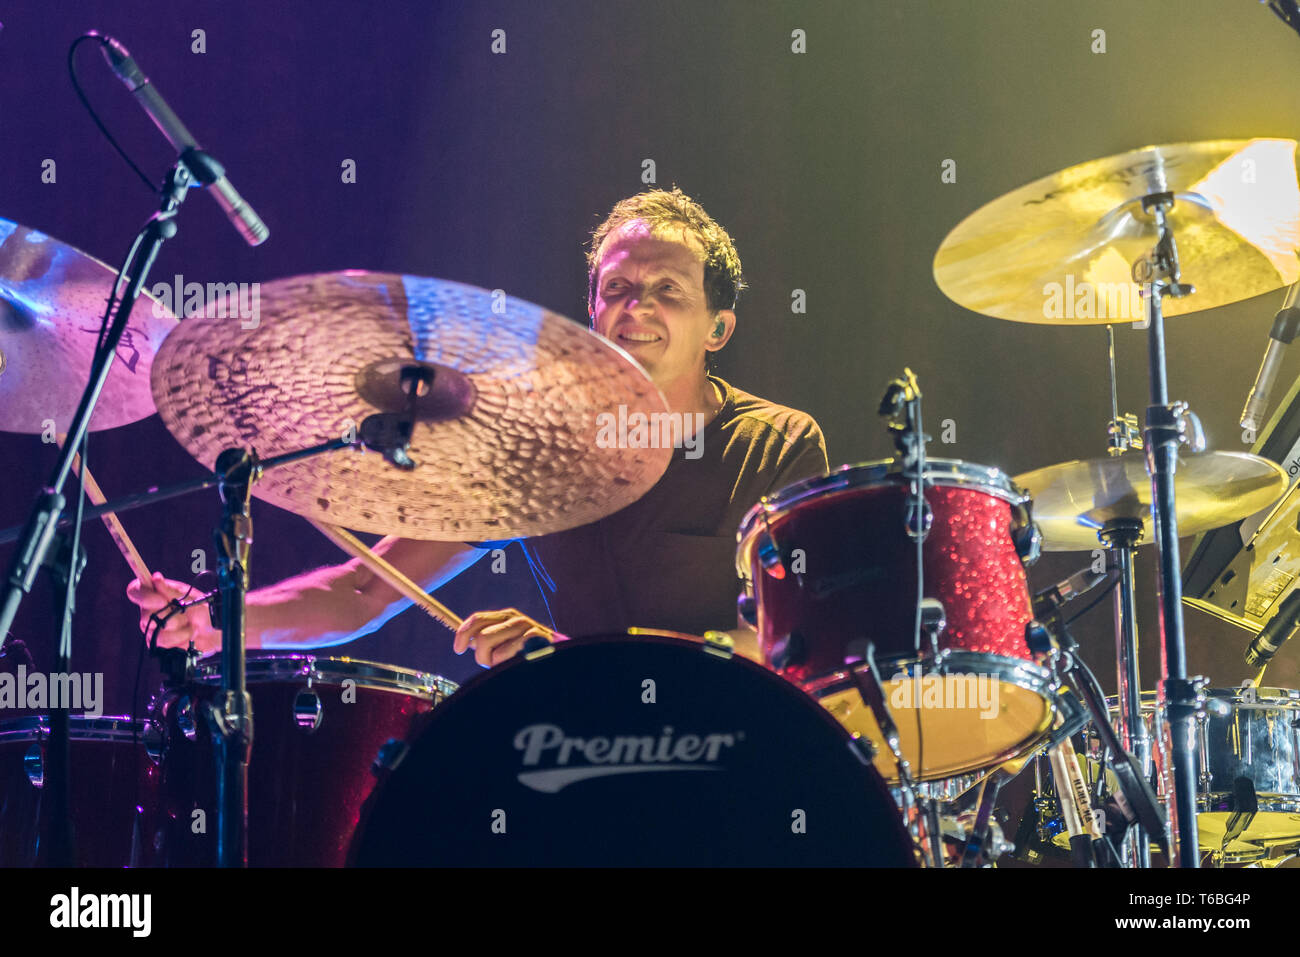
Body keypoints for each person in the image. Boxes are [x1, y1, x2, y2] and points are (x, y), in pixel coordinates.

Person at [128, 187, 828, 667]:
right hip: (579, 755)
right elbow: (362, 590)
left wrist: (569, 656)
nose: (636, 305)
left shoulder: (779, 442)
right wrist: (220, 619)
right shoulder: (539, 442)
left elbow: (783, 641)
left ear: (718, 328)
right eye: (616, 287)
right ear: (591, 309)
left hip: (729, 752)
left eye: (668, 291)